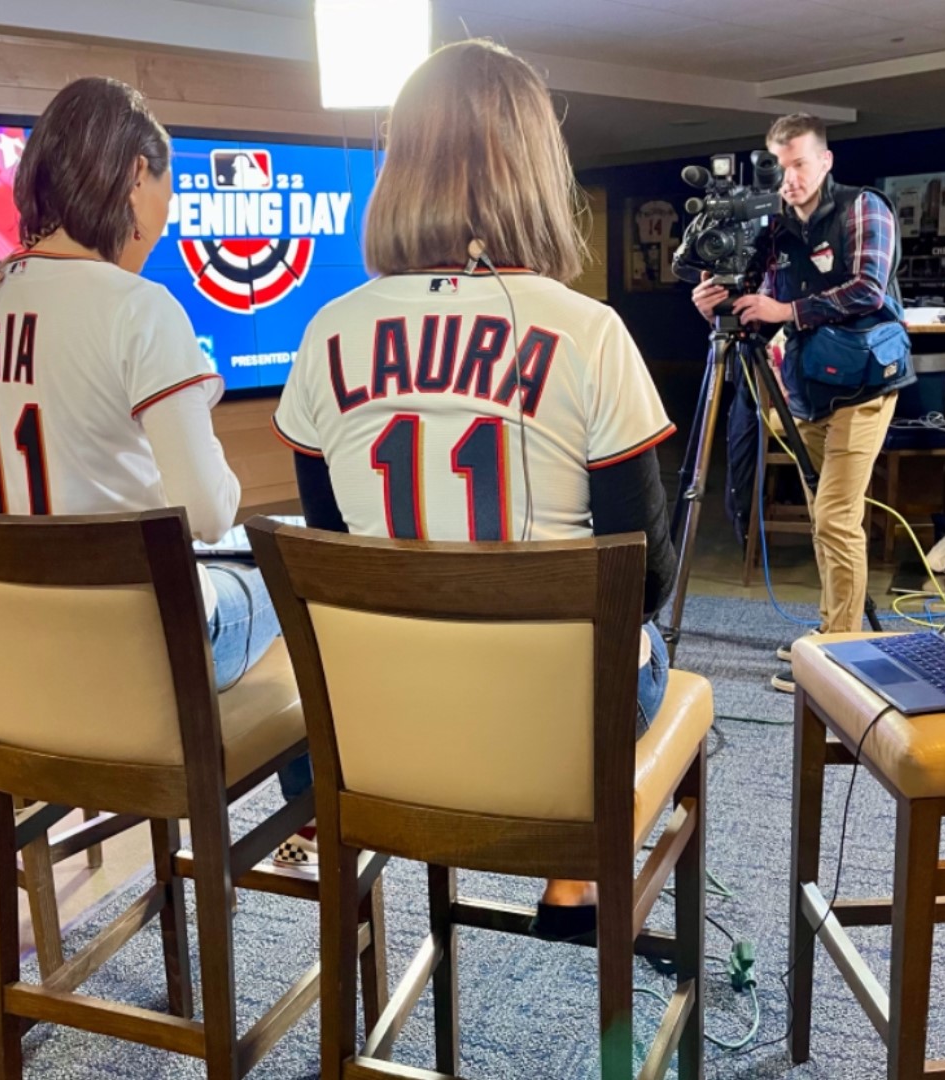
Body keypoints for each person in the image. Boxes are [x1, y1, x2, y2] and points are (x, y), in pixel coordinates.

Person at [272, 39, 679, 941]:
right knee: (637, 642)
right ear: (537, 168)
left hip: (387, 723)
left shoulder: (326, 332)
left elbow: (330, 543)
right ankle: (572, 875)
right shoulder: (590, 332)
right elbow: (647, 578)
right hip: (552, 740)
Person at [0, 77, 314, 855]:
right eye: (169, 184)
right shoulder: (138, 310)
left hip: (18, 658)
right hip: (140, 663)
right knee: (298, 561)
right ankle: (313, 826)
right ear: (135, 179)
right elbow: (209, 513)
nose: (169, 211)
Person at [691, 113, 913, 692]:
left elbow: (866, 287)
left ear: (825, 160)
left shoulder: (864, 208)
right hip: (807, 388)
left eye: (799, 164)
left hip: (864, 387)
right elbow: (754, 296)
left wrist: (786, 312)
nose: (789, 178)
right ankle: (832, 632)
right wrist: (718, 301)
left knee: (837, 517)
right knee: (825, 519)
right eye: (780, 166)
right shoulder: (773, 224)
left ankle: (838, 661)